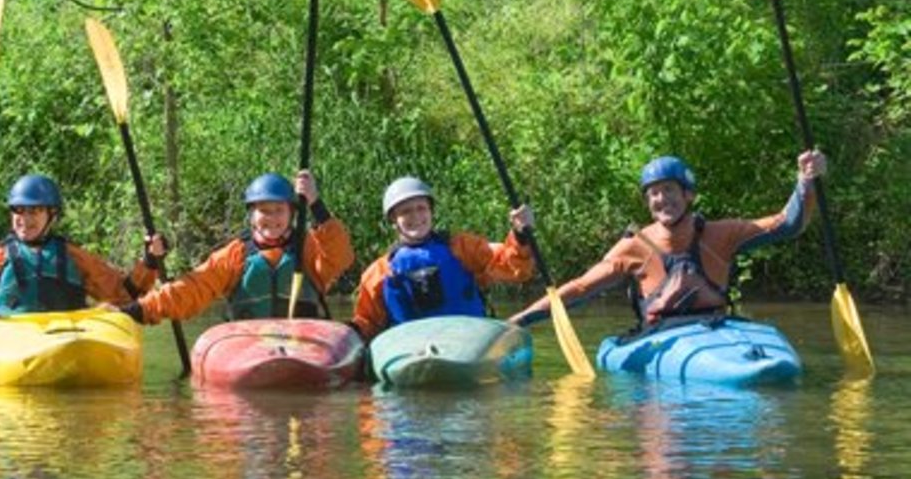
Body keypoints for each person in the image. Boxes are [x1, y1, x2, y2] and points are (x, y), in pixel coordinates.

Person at [509, 150, 827, 329]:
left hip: (717, 328)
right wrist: (518, 321)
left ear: (688, 195)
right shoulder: (634, 246)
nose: (662, 200)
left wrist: (806, 181)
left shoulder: (723, 233)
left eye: (669, 191)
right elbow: (579, 288)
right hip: (661, 335)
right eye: (653, 194)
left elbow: (788, 224)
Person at [118, 170, 354, 324]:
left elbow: (341, 256)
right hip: (248, 344)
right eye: (263, 210)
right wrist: (138, 310)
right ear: (251, 215)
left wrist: (316, 205)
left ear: (292, 213)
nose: (271, 218)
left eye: (279, 210)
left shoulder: (309, 247)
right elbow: (191, 289)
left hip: (305, 343)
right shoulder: (235, 255)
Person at [348, 176, 537, 341]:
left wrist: (520, 235)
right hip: (411, 348)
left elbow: (513, 269)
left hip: (469, 339)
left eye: (421, 208)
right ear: (393, 221)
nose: (415, 216)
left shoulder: (462, 247)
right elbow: (368, 323)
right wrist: (351, 331)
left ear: (431, 212)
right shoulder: (379, 271)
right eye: (405, 211)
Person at [0, 174, 167, 318]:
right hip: (12, 339)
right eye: (19, 210)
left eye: (34, 211)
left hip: (66, 337)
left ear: (52, 215)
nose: (24, 219)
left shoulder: (75, 257)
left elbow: (125, 295)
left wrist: (150, 261)